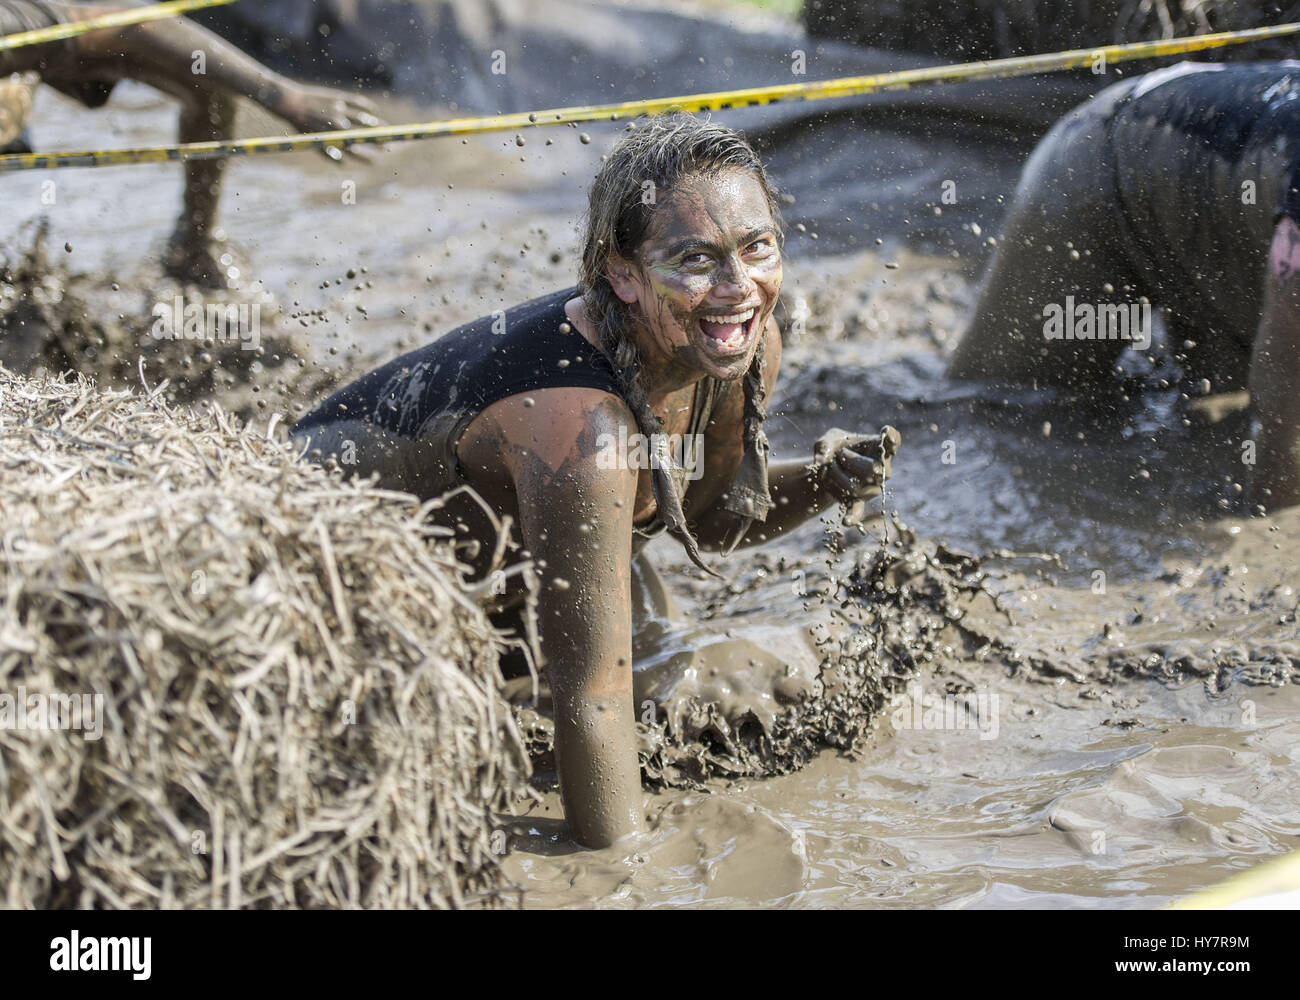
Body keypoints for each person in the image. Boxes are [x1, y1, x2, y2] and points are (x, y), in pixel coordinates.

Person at [293, 114, 900, 847]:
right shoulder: (582, 427)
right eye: (697, 260)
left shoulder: (743, 344)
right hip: (332, 569)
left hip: (508, 569)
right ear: (621, 273)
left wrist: (828, 481)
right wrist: (622, 878)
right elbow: (593, 697)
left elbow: (708, 520)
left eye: (757, 247)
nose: (739, 288)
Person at [947, 61, 1300, 509]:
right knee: (1004, 404)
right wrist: (1274, 522)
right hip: (1106, 161)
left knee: (1214, 407)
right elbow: (1289, 365)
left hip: (1220, 216)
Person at [0, 0, 380, 286]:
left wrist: (285, 99)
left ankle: (196, 246)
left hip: (36, 52)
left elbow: (134, 24)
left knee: (206, 80)